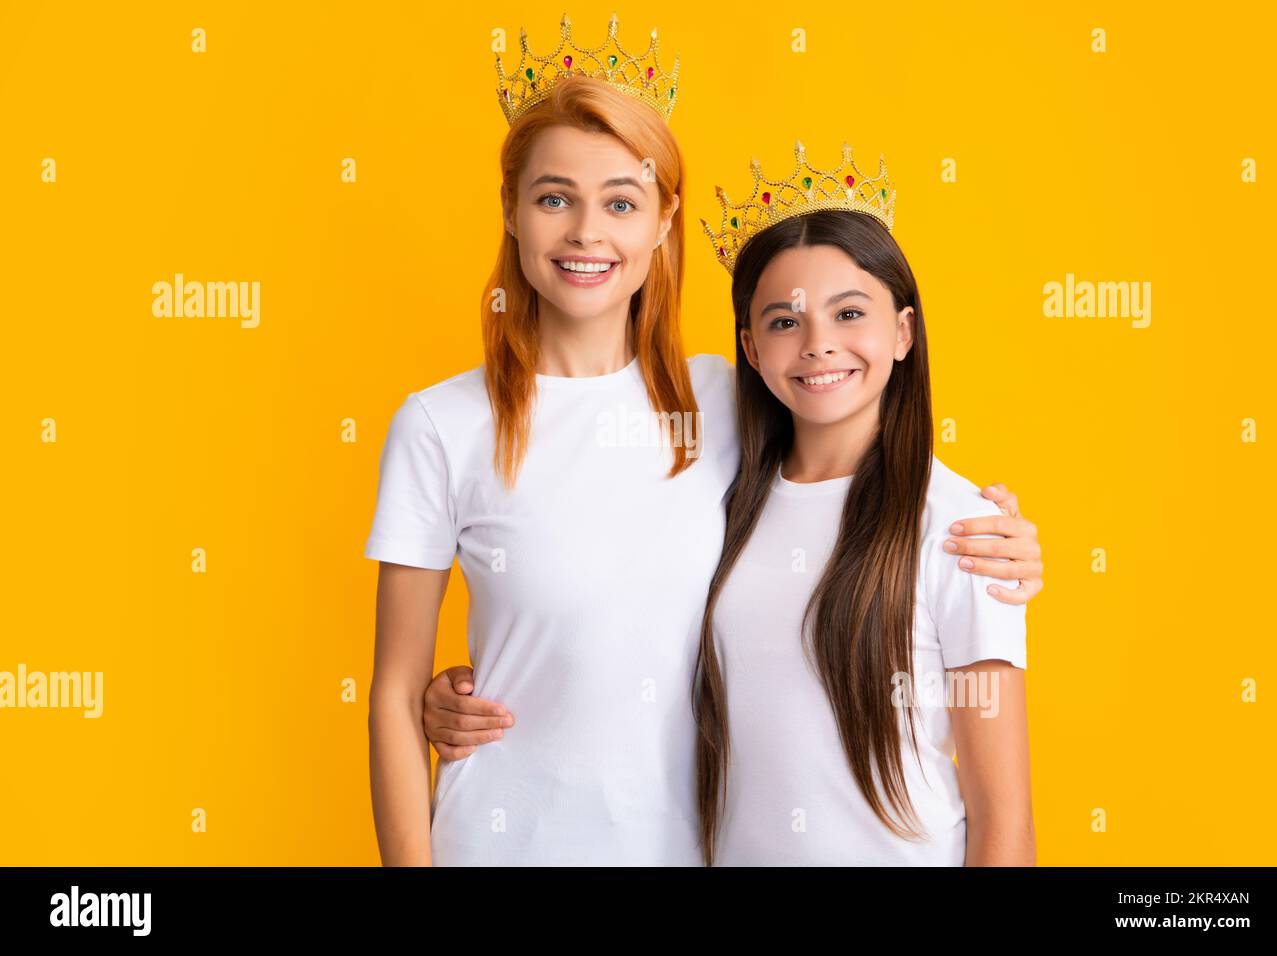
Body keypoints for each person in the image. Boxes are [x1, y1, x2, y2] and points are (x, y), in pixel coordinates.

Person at [370, 17, 1043, 866]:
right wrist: (441, 703)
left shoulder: (725, 403)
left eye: (620, 200)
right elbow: (397, 696)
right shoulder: (440, 426)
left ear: (663, 220)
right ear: (510, 209)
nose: (585, 233)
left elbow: (862, 470)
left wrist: (1004, 538)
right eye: (552, 198)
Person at [694, 143, 1033, 865]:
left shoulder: (962, 528)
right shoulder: (718, 505)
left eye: (850, 313)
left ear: (903, 332)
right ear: (751, 351)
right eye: (786, 323)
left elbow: (1004, 817)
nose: (819, 345)